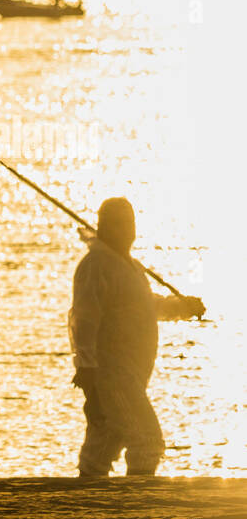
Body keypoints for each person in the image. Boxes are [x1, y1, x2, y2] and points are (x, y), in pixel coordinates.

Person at [69, 197, 204, 477]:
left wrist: (181, 308)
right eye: (117, 224)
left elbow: (145, 306)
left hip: (131, 372)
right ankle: (137, 501)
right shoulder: (96, 265)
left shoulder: (128, 265)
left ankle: (88, 500)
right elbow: (84, 319)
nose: (125, 231)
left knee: (104, 444)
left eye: (128, 223)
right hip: (112, 374)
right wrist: (86, 368)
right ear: (103, 227)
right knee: (147, 441)